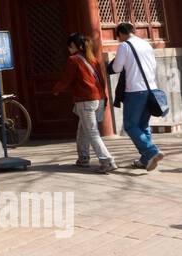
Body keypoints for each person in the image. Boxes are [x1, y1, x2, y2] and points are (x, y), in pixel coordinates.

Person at [53, 32, 116, 173]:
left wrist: (56, 90)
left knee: (92, 132)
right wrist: (104, 98)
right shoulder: (93, 59)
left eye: (69, 47)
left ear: (73, 46)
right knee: (83, 130)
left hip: (85, 100)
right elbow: (102, 80)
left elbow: (66, 80)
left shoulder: (73, 60)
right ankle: (83, 158)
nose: (69, 50)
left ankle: (107, 161)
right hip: (98, 98)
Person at [108, 21, 165, 171]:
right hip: (151, 89)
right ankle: (146, 160)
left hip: (134, 90)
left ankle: (151, 151)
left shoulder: (125, 46)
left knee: (130, 125)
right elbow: (153, 65)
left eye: (118, 36)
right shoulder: (146, 44)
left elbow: (116, 68)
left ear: (121, 33)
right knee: (143, 125)